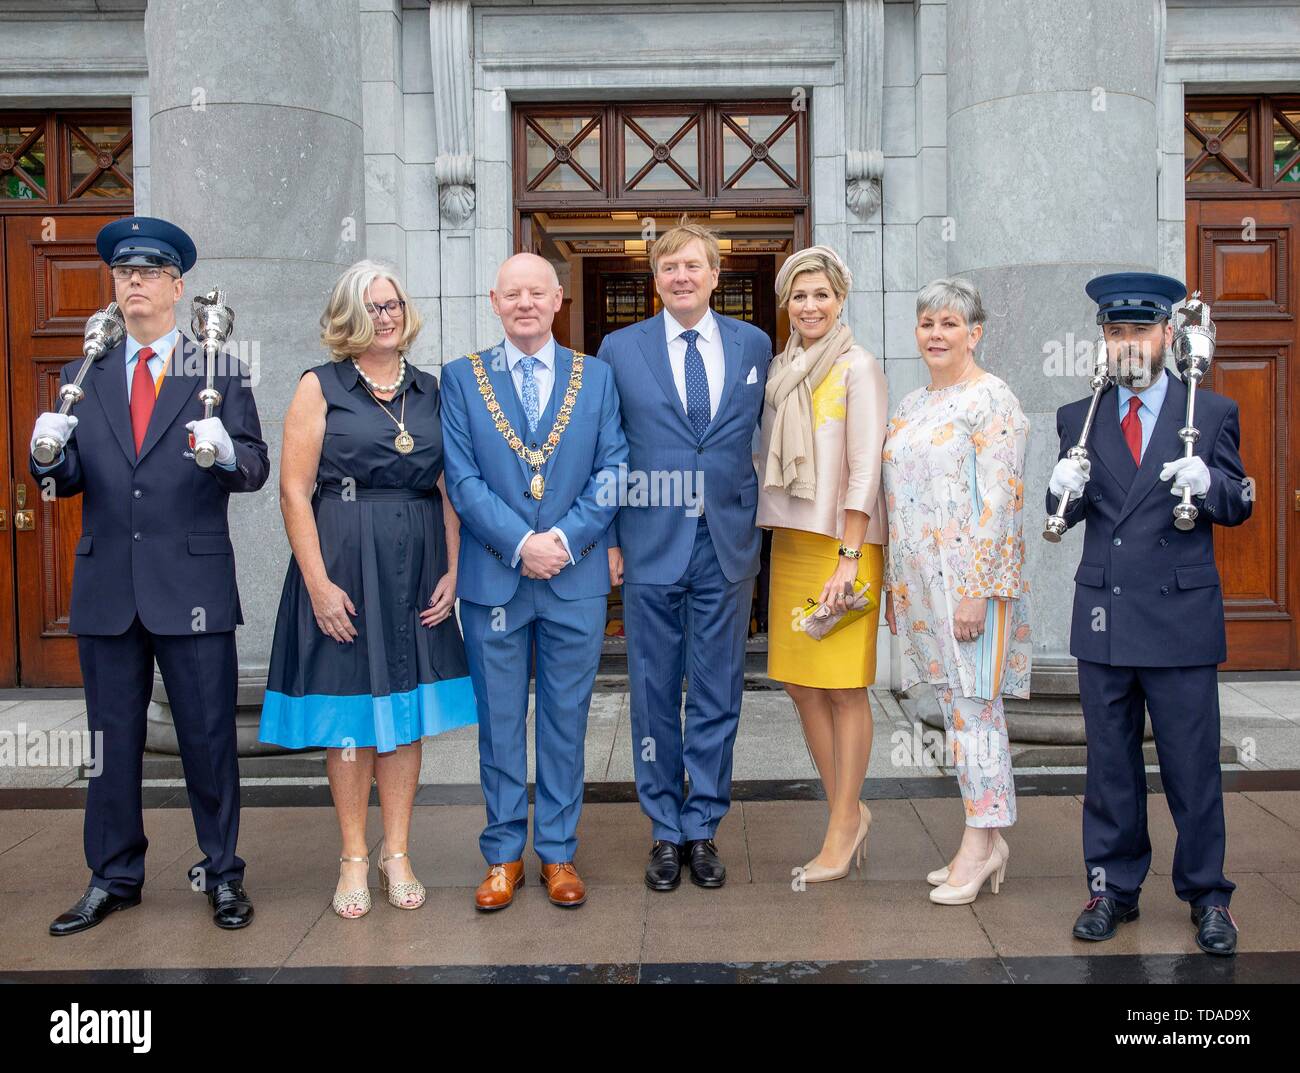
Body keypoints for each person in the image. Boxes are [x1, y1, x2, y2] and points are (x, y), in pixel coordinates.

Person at [31, 216, 268, 934]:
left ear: (176, 285)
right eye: (124, 273)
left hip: (192, 589)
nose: (133, 282)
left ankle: (222, 870)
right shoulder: (83, 374)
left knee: (207, 737)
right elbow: (70, 480)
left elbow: (254, 467)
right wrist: (49, 458)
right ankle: (114, 874)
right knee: (109, 741)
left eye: (148, 272)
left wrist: (226, 451)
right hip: (107, 589)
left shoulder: (218, 370)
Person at [259, 260, 475, 918]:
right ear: (349, 315)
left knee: (405, 712)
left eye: (393, 304)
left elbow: (449, 490)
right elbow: (295, 491)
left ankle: (398, 850)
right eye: (373, 305)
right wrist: (319, 583)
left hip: (417, 565)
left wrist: (455, 571)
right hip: (345, 568)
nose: (386, 315)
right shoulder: (319, 386)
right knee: (351, 716)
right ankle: (355, 852)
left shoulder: (433, 389)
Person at [1048, 272, 1252, 956]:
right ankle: (1112, 888)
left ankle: (1209, 895)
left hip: (1180, 615)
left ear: (1168, 334)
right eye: (1114, 333)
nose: (1127, 344)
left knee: (1192, 766)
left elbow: (1241, 500)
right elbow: (1069, 512)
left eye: (1139, 331)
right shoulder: (1078, 418)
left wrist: (1213, 483)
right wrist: (1062, 489)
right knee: (1109, 766)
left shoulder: (1210, 410)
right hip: (1106, 615)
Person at [440, 252, 627, 911]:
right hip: (495, 578)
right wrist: (521, 543)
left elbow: (613, 469)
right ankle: (500, 855)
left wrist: (566, 541)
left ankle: (557, 851)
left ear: (557, 300)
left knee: (565, 719)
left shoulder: (596, 377)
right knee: (497, 721)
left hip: (572, 579)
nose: (524, 302)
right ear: (494, 301)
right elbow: (461, 479)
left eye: (536, 292)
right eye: (512, 292)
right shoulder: (460, 379)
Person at [598, 220, 772, 892]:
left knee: (719, 691)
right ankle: (664, 828)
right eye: (668, 266)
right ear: (655, 277)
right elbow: (607, 447)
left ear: (714, 274)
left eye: (692, 265)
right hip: (648, 542)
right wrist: (610, 536)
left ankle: (704, 823)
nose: (680, 276)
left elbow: (771, 438)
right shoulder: (619, 347)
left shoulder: (754, 343)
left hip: (727, 546)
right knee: (651, 690)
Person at [881, 277, 1030, 905]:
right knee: (955, 707)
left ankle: (981, 841)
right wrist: (898, 584)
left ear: (976, 332)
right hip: (919, 585)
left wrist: (977, 590)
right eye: (927, 324)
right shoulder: (913, 404)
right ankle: (984, 836)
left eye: (949, 324)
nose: (936, 334)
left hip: (971, 585)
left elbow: (1002, 502)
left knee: (976, 712)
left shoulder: (993, 401)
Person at [756, 245, 887, 882]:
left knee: (842, 684)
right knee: (801, 682)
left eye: (822, 295)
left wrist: (849, 556)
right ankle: (850, 810)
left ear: (841, 299)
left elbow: (866, 467)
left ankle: (841, 823)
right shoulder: (783, 367)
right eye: (800, 295)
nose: (810, 306)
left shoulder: (859, 367)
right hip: (793, 541)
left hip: (845, 545)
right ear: (788, 303)